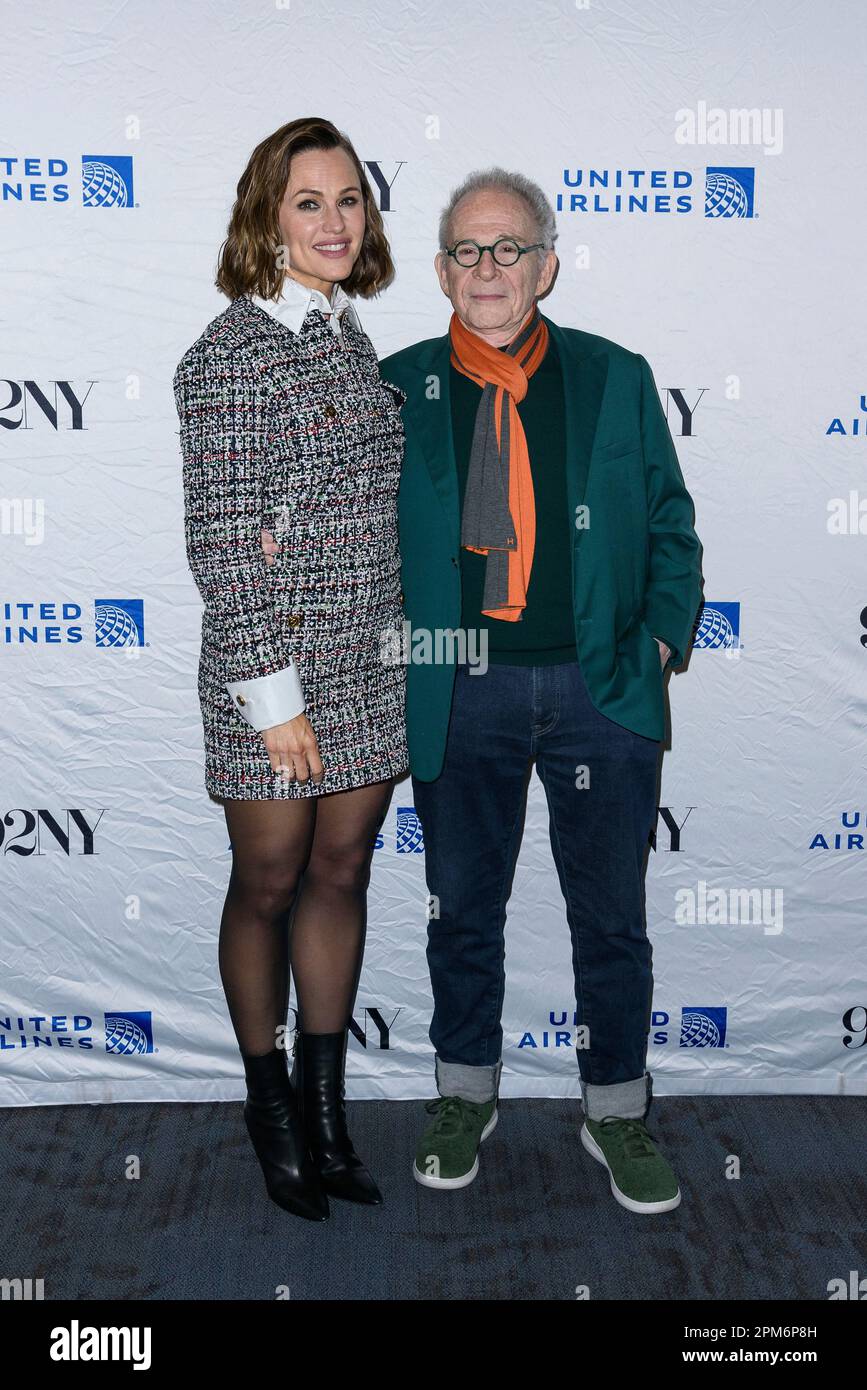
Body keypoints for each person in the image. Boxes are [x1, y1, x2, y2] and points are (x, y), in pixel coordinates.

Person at [379, 167, 704, 1212]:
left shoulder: (614, 377)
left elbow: (671, 524)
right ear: (439, 268)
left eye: (509, 248)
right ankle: (462, 1094)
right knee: (462, 909)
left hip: (598, 691)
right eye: (467, 251)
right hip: (456, 691)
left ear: (546, 264)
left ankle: (616, 1110)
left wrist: (657, 641)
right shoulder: (398, 387)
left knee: (610, 916)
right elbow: (353, 544)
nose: (488, 269)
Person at [173, 117, 408, 1222]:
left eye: (349, 198)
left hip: (367, 662)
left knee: (342, 877)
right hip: (276, 682)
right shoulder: (229, 354)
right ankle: (270, 1110)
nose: (333, 220)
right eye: (308, 200)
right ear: (267, 213)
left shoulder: (346, 335)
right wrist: (274, 702)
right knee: (268, 883)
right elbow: (224, 539)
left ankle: (327, 1112)